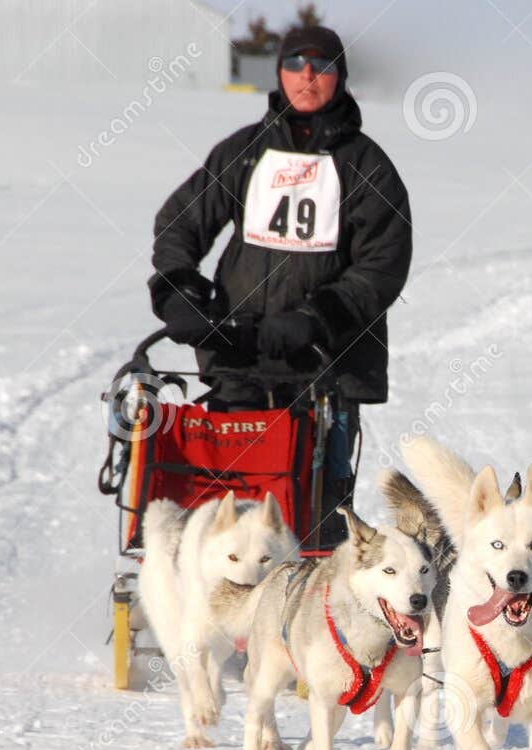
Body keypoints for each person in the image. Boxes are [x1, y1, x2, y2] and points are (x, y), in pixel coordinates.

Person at [148, 25, 412, 547]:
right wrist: (180, 293)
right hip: (240, 358)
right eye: (295, 63)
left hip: (326, 368)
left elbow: (382, 265)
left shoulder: (366, 166)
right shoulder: (244, 152)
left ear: (340, 76)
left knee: (315, 515)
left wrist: (316, 318)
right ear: (279, 73)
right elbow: (180, 225)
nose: (306, 76)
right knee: (236, 512)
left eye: (321, 65)